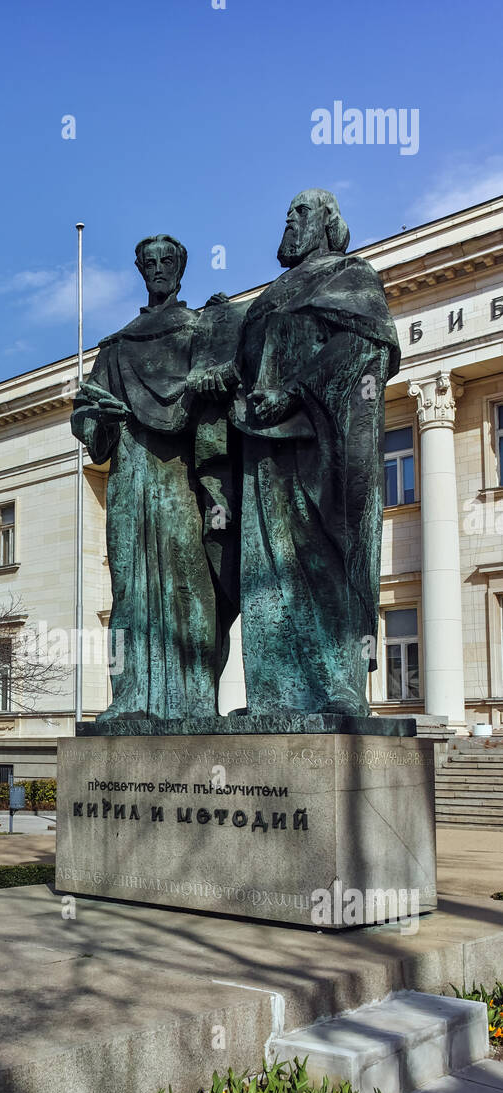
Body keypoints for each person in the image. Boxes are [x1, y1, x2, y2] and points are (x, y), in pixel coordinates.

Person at [194, 189, 400, 716]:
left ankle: (337, 690)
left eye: (301, 212)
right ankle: (275, 698)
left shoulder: (350, 275)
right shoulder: (270, 297)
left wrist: (293, 390)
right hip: (262, 446)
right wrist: (221, 375)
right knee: (268, 566)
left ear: (329, 223)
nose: (289, 219)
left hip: (317, 443)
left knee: (320, 558)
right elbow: (248, 365)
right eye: (287, 212)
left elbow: (364, 347)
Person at [70, 234, 242, 723]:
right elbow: (87, 419)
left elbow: (222, 402)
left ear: (182, 267)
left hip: (181, 481)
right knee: (129, 591)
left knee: (191, 590)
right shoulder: (117, 346)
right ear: (140, 270)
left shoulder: (198, 332)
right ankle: (129, 698)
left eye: (168, 261)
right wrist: (96, 419)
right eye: (150, 262)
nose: (159, 269)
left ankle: (192, 704)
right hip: (129, 479)